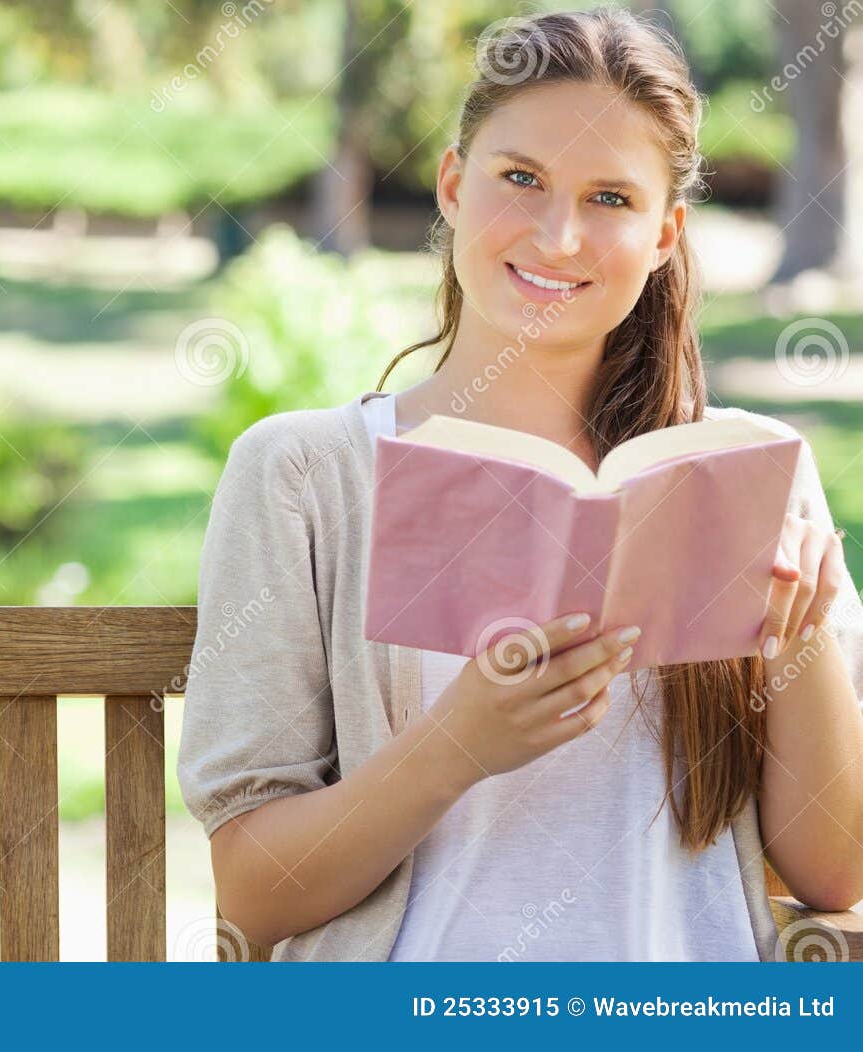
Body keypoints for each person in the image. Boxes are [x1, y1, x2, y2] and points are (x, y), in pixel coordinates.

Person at [176, 6, 863, 962]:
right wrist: (456, 746)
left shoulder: (745, 472)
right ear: (454, 185)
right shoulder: (304, 474)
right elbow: (250, 896)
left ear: (666, 233)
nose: (559, 236)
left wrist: (803, 657)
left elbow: (836, 875)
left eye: (612, 200)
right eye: (522, 179)